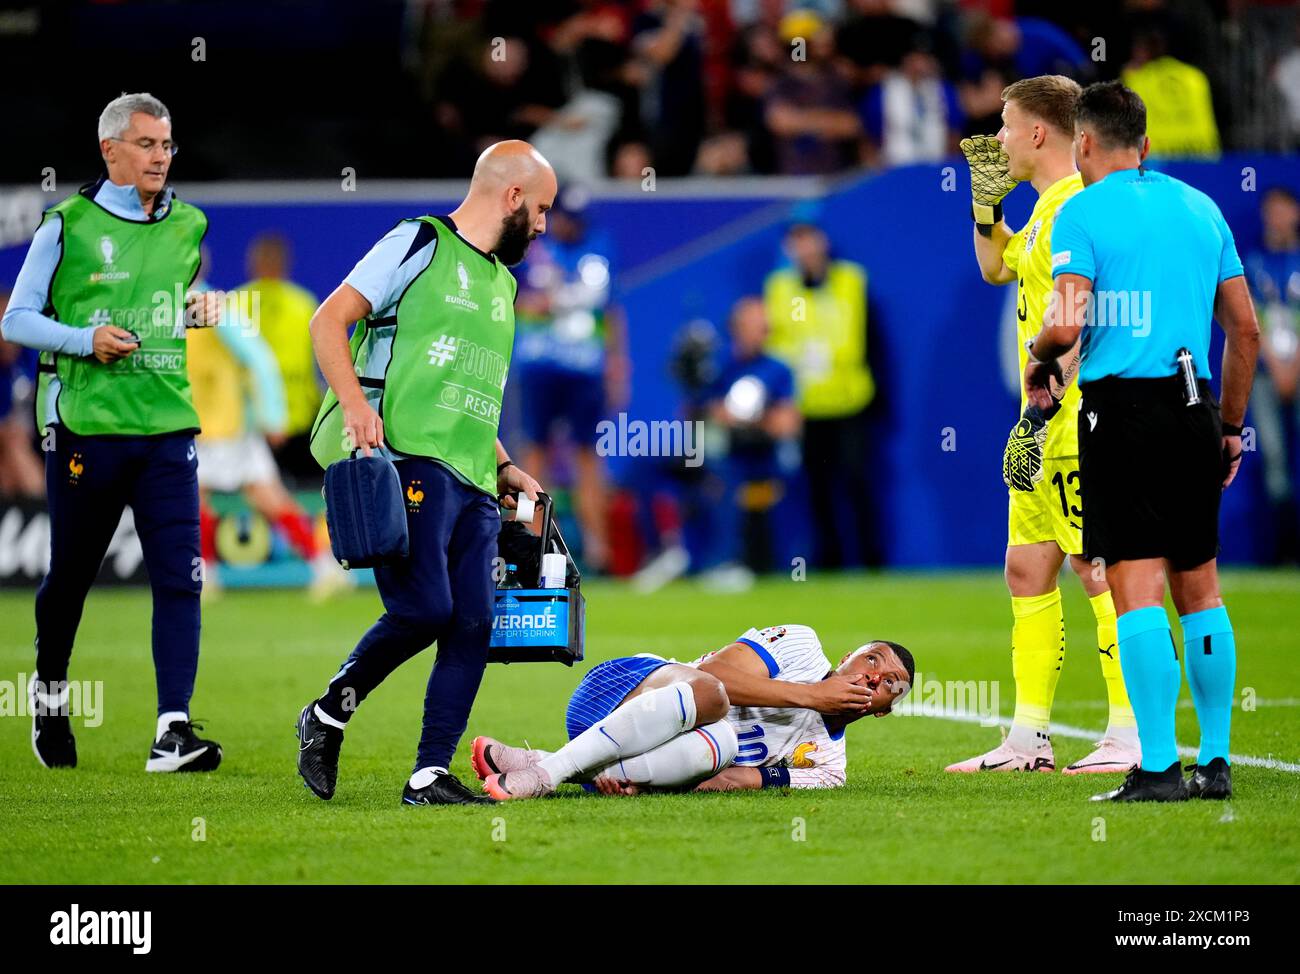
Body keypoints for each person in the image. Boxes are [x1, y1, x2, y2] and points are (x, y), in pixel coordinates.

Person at [295, 140, 555, 807]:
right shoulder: (419, 242)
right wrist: (354, 407)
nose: (546, 226)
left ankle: (427, 775)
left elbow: (463, 386)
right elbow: (329, 321)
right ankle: (327, 714)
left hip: (471, 475)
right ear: (514, 197)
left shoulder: (504, 283)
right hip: (405, 455)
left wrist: (504, 465)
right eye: (545, 210)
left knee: (472, 623)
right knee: (426, 609)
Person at [1024, 81, 1260, 802]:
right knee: (1202, 588)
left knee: (1135, 589)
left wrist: (1040, 351)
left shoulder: (1082, 212)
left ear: (1084, 144)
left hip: (1122, 414)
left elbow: (1065, 322)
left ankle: (1158, 767)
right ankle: (1214, 762)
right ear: (1147, 144)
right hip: (1195, 407)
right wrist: (1228, 426)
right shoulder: (1200, 206)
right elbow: (1245, 330)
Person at [0, 93, 223, 772]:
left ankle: (172, 730)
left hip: (167, 425)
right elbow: (16, 320)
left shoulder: (190, 222)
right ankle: (49, 696)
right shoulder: (64, 225)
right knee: (69, 578)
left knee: (181, 578)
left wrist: (195, 310)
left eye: (167, 145)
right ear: (111, 150)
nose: (161, 156)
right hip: (87, 429)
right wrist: (83, 338)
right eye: (148, 144)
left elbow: (162, 304)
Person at [949, 76, 1138, 777]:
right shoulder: (1046, 210)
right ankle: (1029, 739)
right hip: (1040, 419)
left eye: (1005, 126)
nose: (996, 140)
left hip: (1074, 417)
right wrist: (985, 203)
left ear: (1038, 133)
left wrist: (1044, 411)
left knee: (1099, 570)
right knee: (1027, 567)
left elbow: (1079, 320)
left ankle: (1129, 730)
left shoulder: (1075, 211)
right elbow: (998, 265)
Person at [472, 624, 915, 799]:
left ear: (883, 711)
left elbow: (734, 779)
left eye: (890, 686)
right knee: (714, 699)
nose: (876, 678)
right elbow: (716, 674)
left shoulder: (828, 769)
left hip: (638, 754)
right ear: (846, 657)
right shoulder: (802, 644)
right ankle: (549, 775)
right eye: (872, 660)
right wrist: (810, 696)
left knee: (722, 746)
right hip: (626, 689)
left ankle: (544, 766)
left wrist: (644, 783)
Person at [186, 254, 348, 600]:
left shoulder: (214, 307)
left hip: (225, 425)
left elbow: (259, 358)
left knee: (242, 497)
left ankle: (210, 576)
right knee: (245, 497)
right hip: (206, 423)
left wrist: (271, 415)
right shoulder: (178, 306)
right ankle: (321, 565)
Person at [511, 185, 628, 572]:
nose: (569, 227)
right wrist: (540, 303)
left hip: (584, 370)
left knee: (588, 458)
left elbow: (608, 308)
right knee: (534, 456)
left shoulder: (599, 249)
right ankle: (530, 545)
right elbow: (512, 301)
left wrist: (616, 364)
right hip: (540, 366)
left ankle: (599, 551)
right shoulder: (527, 249)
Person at [763, 221, 876, 567]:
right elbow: (778, 343)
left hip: (848, 400)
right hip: (806, 406)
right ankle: (831, 563)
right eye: (797, 243)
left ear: (822, 241)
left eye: (809, 240)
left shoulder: (850, 280)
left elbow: (852, 336)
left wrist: (820, 355)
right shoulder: (780, 287)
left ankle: (873, 561)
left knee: (857, 482)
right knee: (816, 489)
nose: (806, 249)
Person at [703, 296, 800, 575]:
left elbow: (788, 422)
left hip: (768, 455)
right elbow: (703, 412)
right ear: (736, 329)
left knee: (788, 466)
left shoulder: (778, 369)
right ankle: (724, 562)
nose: (762, 332)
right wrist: (725, 415)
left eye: (764, 326)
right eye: (754, 325)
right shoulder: (719, 367)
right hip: (731, 454)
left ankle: (784, 562)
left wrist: (751, 418)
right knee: (713, 466)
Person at [1243, 186, 1300, 561]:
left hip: (1297, 367)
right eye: (1270, 212)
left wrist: (1293, 368)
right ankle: (1282, 550)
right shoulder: (1253, 262)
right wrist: (1278, 367)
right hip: (1266, 373)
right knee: (1274, 455)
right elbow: (1253, 319)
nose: (1276, 219)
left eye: (1283, 211)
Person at [238, 233, 322, 485]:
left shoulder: (236, 302)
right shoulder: (305, 302)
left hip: (254, 421)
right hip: (297, 421)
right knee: (306, 496)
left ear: (252, 263)